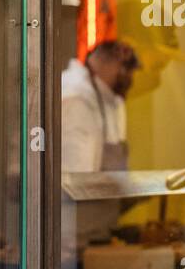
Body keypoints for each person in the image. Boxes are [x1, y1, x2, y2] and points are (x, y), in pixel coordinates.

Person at [60, 39, 140, 174]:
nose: (130, 80)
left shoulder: (105, 97)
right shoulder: (78, 98)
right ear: (113, 65)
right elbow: (75, 172)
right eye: (128, 72)